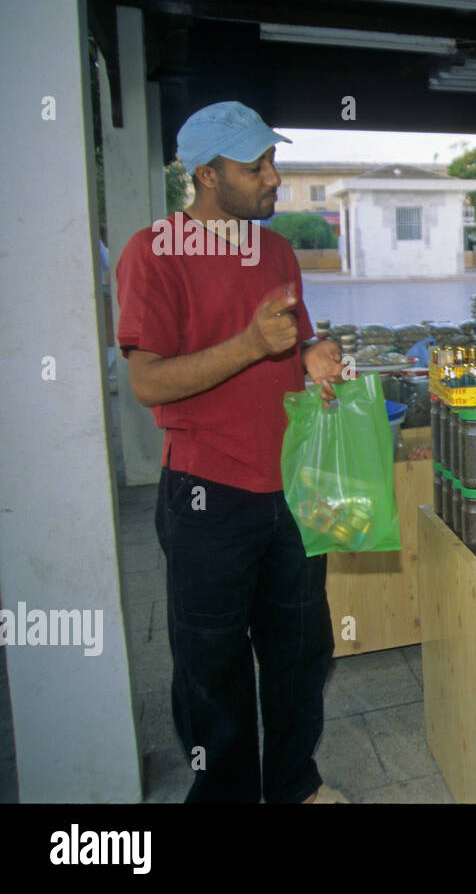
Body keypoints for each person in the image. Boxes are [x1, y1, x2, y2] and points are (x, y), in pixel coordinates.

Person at [115, 101, 347, 803]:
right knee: (211, 669)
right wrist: (250, 345)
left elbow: (290, 344)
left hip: (293, 488)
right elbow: (147, 380)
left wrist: (314, 358)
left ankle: (293, 787)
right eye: (257, 167)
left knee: (301, 653)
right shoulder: (151, 253)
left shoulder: (275, 251)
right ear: (207, 175)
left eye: (272, 160)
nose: (274, 176)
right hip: (206, 494)